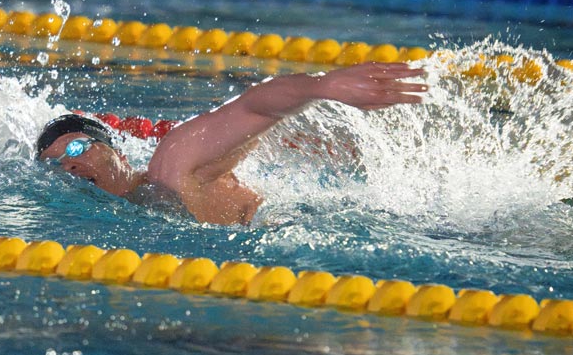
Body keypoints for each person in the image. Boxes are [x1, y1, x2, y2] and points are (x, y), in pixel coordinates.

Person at [37, 62, 427, 225]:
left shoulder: (172, 166)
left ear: (118, 151)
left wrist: (325, 86)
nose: (68, 166)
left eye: (77, 148)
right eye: (56, 164)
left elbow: (253, 107)